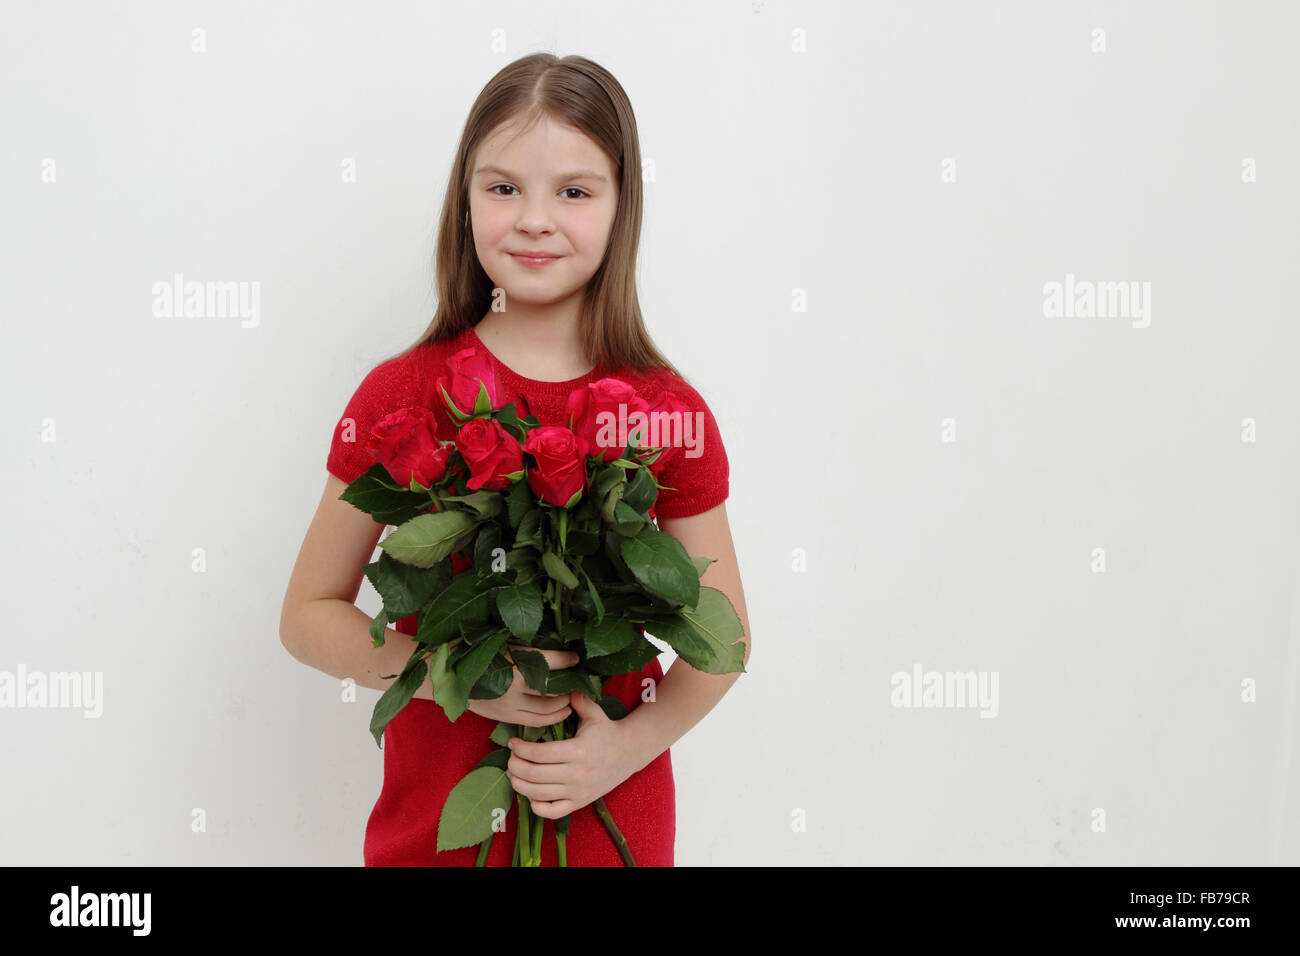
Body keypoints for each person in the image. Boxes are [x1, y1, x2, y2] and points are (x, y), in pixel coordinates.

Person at [280, 53, 752, 866]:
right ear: (464, 201)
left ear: (620, 206)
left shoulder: (664, 413)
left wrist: (620, 751)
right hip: (435, 834)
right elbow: (308, 615)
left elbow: (727, 639)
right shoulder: (404, 393)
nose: (535, 218)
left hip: (612, 827)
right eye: (503, 188)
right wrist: (457, 671)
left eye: (573, 191)